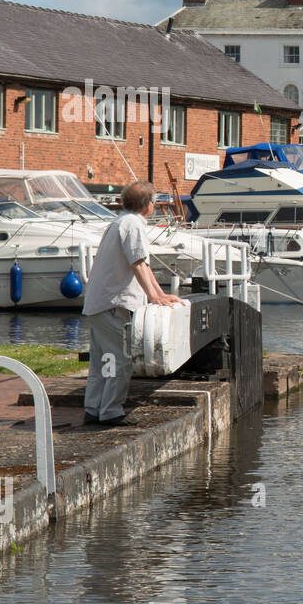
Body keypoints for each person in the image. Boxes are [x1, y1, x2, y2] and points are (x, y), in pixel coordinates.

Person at [83, 181, 184, 426]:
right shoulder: (134, 225)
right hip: (114, 305)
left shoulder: (118, 223)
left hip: (98, 303)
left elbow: (143, 265)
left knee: (102, 361)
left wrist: (160, 293)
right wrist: (154, 297)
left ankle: (94, 408)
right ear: (148, 205)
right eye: (153, 202)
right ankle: (110, 411)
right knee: (121, 359)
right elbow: (138, 262)